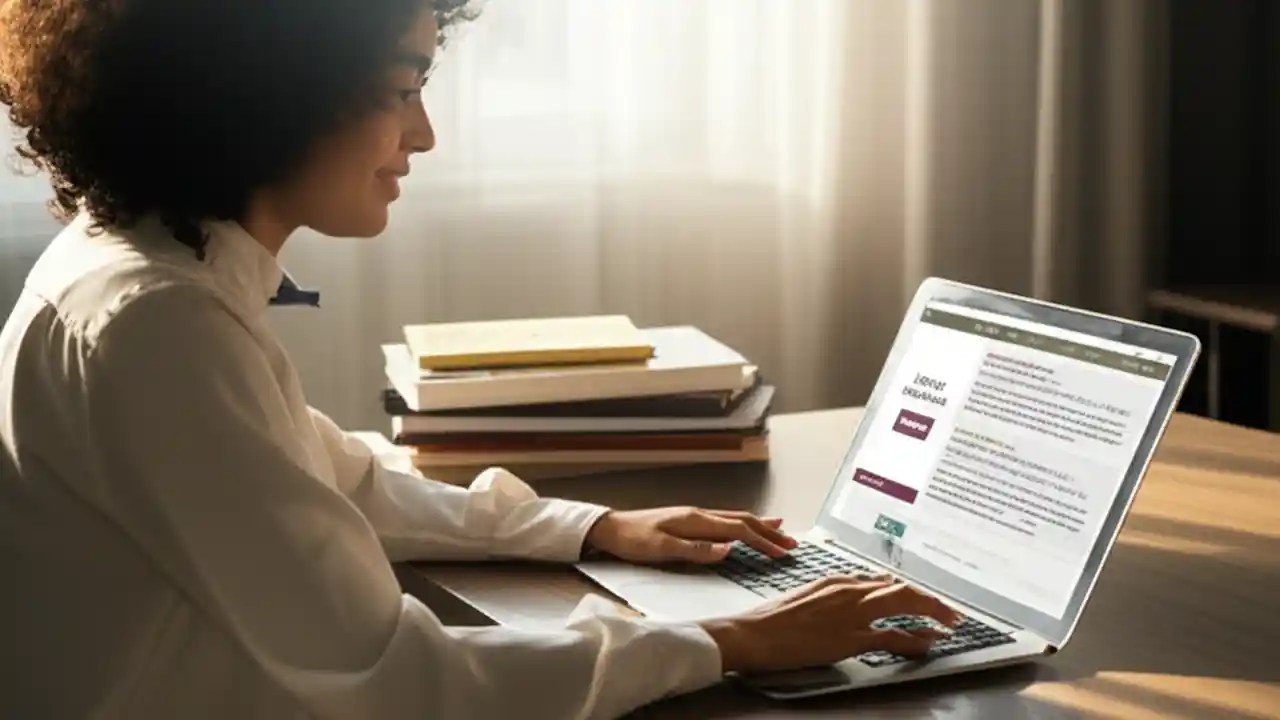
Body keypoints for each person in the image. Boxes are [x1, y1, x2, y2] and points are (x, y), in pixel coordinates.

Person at [0, 1, 958, 718]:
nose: (424, 135)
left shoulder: (141, 266)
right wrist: (733, 642)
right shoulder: (158, 326)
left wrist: (590, 529)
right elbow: (402, 682)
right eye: (403, 89)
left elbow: (334, 483)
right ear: (269, 93)